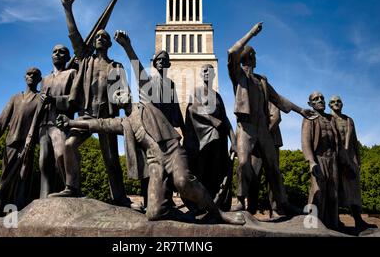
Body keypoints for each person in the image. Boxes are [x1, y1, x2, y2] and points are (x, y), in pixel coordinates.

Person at [55, 90, 245, 225]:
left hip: (172, 152)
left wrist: (127, 47)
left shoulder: (147, 105)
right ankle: (178, 215)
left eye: (123, 92)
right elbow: (99, 124)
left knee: (183, 181)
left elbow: (145, 80)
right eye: (117, 96)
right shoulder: (124, 123)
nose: (122, 96)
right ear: (118, 103)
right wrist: (71, 121)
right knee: (153, 213)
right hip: (155, 163)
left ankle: (218, 213)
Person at [51, 0, 132, 209]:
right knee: (69, 145)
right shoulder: (85, 60)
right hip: (86, 116)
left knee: (111, 160)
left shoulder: (117, 66)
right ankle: (72, 187)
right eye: (97, 36)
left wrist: (129, 112)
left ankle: (120, 198)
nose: (99, 38)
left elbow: (125, 95)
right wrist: (67, 9)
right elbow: (75, 36)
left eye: (103, 37)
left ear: (108, 43)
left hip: (106, 117)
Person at [227, 22, 314, 216]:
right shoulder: (238, 75)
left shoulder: (262, 81)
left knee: (273, 166)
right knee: (243, 163)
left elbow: (278, 99)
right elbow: (232, 51)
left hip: (263, 128)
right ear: (249, 56)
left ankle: (282, 203)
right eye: (255, 55)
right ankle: (240, 200)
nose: (257, 58)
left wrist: (301, 110)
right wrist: (251, 33)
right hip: (246, 127)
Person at [114, 30, 183, 210]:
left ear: (168, 64)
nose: (161, 62)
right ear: (154, 64)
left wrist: (183, 128)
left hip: (165, 133)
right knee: (148, 170)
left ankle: (166, 204)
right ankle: (147, 201)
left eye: (164, 60)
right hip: (148, 132)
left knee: (167, 172)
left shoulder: (171, 85)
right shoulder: (149, 81)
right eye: (158, 60)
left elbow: (176, 110)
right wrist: (127, 46)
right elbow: (136, 66)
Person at [0, 67, 42, 215]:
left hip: (28, 143)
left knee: (23, 177)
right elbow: (2, 119)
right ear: (25, 77)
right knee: (6, 176)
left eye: (35, 75)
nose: (31, 76)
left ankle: (18, 207)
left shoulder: (39, 98)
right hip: (11, 141)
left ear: (39, 79)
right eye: (29, 74)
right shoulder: (15, 98)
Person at [184, 64, 236, 211]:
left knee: (217, 171)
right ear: (201, 75)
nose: (207, 73)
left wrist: (234, 140)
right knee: (202, 170)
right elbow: (192, 109)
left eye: (210, 71)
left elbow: (225, 119)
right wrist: (212, 120)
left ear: (213, 75)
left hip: (219, 141)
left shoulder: (217, 96)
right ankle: (200, 202)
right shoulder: (197, 91)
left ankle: (215, 203)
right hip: (202, 139)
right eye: (204, 71)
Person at [329, 95, 376, 230]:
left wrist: (358, 160)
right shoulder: (328, 119)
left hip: (350, 159)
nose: (336, 103)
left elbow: (355, 141)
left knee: (354, 190)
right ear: (330, 105)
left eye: (338, 101)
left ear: (342, 104)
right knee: (335, 189)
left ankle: (358, 220)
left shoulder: (349, 120)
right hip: (335, 159)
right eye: (333, 102)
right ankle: (335, 220)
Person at [39, 44, 77, 198]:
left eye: (62, 52)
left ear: (68, 57)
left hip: (60, 123)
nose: (57, 54)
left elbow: (75, 100)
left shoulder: (72, 73)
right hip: (44, 124)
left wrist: (53, 100)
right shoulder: (45, 79)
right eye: (54, 51)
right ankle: (44, 197)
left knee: (61, 156)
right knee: (43, 163)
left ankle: (72, 188)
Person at [302, 92, 339, 230]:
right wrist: (311, 161)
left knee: (333, 194)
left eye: (322, 98)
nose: (320, 100)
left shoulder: (331, 119)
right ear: (310, 104)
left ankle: (334, 226)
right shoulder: (309, 118)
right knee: (318, 192)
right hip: (319, 158)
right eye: (315, 99)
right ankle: (312, 226)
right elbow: (305, 142)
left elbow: (338, 143)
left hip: (333, 160)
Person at [247, 102, 283, 216]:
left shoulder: (270, 100)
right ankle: (251, 209)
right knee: (253, 176)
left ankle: (276, 209)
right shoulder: (251, 101)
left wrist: (262, 135)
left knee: (273, 176)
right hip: (255, 145)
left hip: (271, 142)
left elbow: (276, 117)